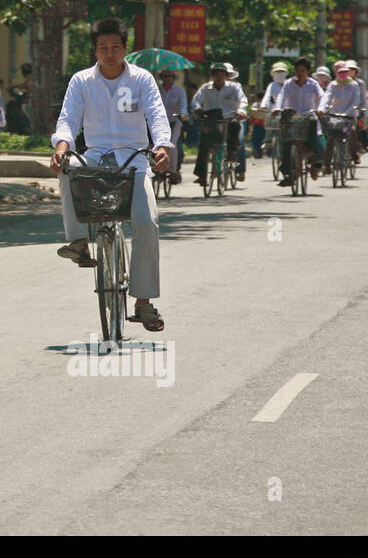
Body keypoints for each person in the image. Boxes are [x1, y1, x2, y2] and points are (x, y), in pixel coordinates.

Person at [50, 19, 172, 332]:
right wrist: (62, 146)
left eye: (115, 47)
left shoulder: (142, 80)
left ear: (124, 48)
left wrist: (161, 146)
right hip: (94, 157)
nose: (109, 53)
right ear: (95, 49)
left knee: (147, 222)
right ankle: (78, 240)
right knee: (69, 168)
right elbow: (68, 120)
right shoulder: (81, 81)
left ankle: (143, 301)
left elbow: (157, 116)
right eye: (102, 47)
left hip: (133, 161)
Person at [191, 62, 248, 184]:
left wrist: (241, 111)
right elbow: (196, 100)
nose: (219, 77)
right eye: (216, 74)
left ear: (226, 76)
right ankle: (201, 174)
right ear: (212, 75)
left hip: (228, 118)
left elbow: (242, 100)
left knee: (235, 126)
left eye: (221, 74)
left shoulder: (234, 87)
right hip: (211, 120)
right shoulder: (205, 88)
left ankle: (232, 153)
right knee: (204, 145)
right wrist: (197, 108)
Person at [275, 57, 323, 186]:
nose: (299, 73)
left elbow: (322, 96)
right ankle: (288, 173)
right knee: (287, 142)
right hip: (292, 117)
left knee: (314, 126)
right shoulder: (288, 84)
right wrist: (277, 108)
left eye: (302, 70)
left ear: (307, 71)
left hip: (308, 117)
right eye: (297, 70)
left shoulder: (313, 84)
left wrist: (321, 109)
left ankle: (312, 155)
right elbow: (281, 96)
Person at [317, 60, 363, 164]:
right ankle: (327, 164)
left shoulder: (353, 85)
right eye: (339, 72)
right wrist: (322, 109)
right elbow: (327, 97)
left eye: (344, 71)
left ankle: (355, 155)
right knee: (330, 139)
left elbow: (356, 101)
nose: (342, 74)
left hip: (349, 116)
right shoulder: (333, 85)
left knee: (352, 132)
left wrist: (348, 112)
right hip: (334, 116)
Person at [158, 69, 188, 184]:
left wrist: (182, 113)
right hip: (157, 122)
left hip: (174, 122)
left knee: (173, 146)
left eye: (169, 76)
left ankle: (174, 171)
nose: (167, 78)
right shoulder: (156, 89)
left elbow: (183, 105)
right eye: (164, 76)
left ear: (173, 78)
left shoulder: (179, 91)